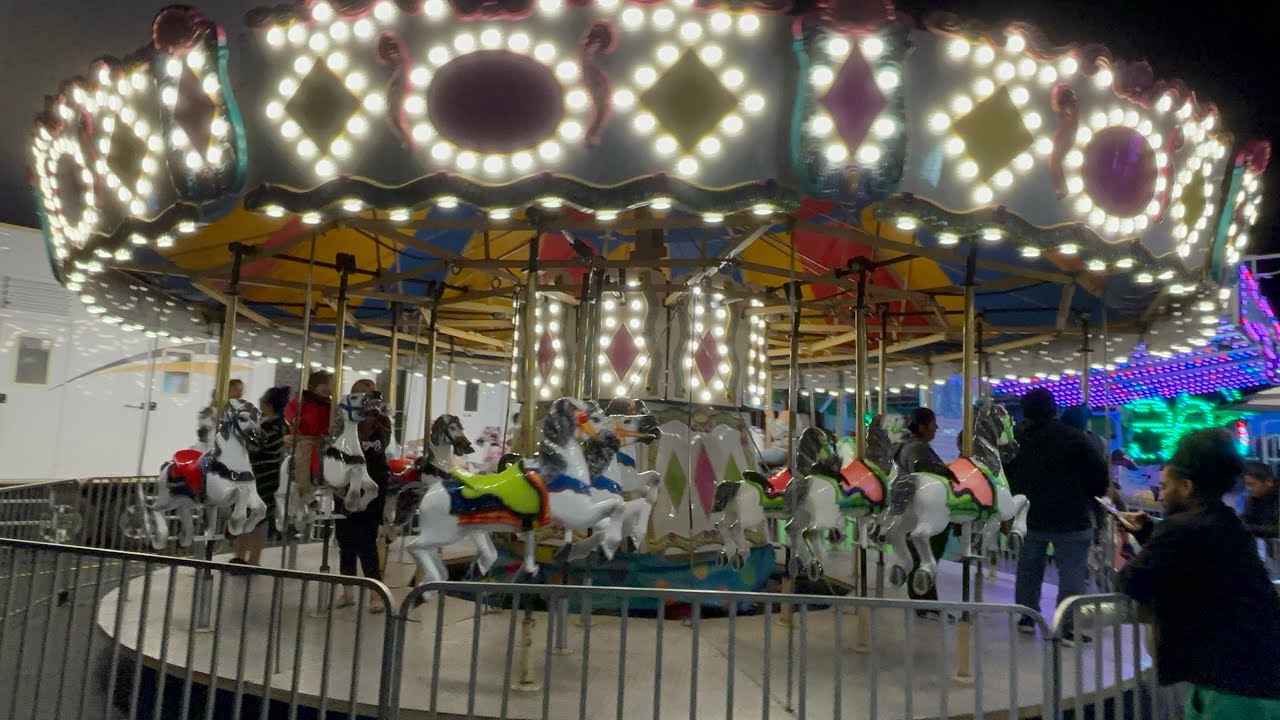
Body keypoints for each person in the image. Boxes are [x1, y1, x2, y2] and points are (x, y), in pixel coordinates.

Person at [1118, 430, 1280, 718]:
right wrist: (1148, 533)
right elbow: (1194, 557)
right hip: (1256, 675)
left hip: (1227, 687)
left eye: (1166, 487)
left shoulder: (1180, 528)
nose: (1162, 495)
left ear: (1187, 486)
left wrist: (1131, 546)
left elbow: (1131, 581)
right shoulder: (1229, 523)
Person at [1005, 388, 1109, 637]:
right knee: (1072, 572)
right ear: (1054, 409)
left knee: (1028, 568)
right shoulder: (1075, 438)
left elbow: (1007, 474)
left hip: (1029, 514)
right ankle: (1067, 626)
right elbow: (1098, 477)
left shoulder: (1018, 439)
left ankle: (1027, 618)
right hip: (1072, 516)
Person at [334, 378, 389, 613]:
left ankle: (375, 593)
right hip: (346, 486)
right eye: (357, 395)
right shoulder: (345, 422)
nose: (361, 400)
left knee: (367, 540)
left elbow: (379, 443)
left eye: (365, 395)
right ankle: (348, 590)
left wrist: (368, 419)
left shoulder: (381, 422)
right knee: (345, 539)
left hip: (373, 485)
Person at [894, 407, 953, 612]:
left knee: (921, 556)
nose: (936, 427)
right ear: (922, 426)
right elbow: (930, 478)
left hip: (913, 509)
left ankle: (925, 602)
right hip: (926, 512)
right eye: (933, 423)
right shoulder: (918, 450)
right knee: (926, 557)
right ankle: (924, 604)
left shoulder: (907, 447)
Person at [231, 385, 290, 566]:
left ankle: (251, 558)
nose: (260, 403)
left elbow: (257, 448)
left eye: (263, 401)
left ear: (270, 405)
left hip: (263, 477)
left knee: (257, 518)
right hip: (255, 476)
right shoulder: (268, 423)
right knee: (246, 515)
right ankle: (241, 556)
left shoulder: (274, 427)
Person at [283, 371, 332, 502]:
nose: (328, 388)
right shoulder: (303, 399)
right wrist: (294, 418)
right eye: (324, 385)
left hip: (324, 438)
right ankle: (304, 487)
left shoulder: (329, 404)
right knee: (303, 457)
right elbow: (290, 409)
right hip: (305, 437)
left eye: (330, 385)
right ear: (314, 386)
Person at [196, 378, 244, 449]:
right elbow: (203, 427)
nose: (239, 394)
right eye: (236, 389)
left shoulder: (240, 412)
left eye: (241, 391)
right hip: (210, 447)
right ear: (228, 390)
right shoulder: (212, 410)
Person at [1242, 461, 1279, 539]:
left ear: (1269, 482)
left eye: (1252, 484)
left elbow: (1276, 530)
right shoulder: (1255, 496)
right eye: (1246, 484)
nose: (1248, 488)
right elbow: (1246, 518)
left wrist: (1246, 528)